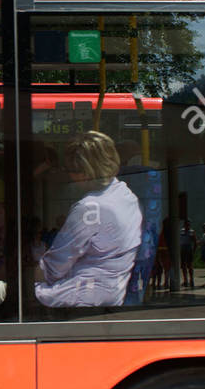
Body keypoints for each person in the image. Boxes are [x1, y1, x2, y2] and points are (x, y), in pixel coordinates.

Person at [35, 131, 143, 307]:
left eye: (71, 171)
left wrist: (16, 275)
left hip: (78, 295)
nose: (69, 176)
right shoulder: (126, 195)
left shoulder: (89, 208)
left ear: (87, 172)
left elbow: (53, 268)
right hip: (112, 292)